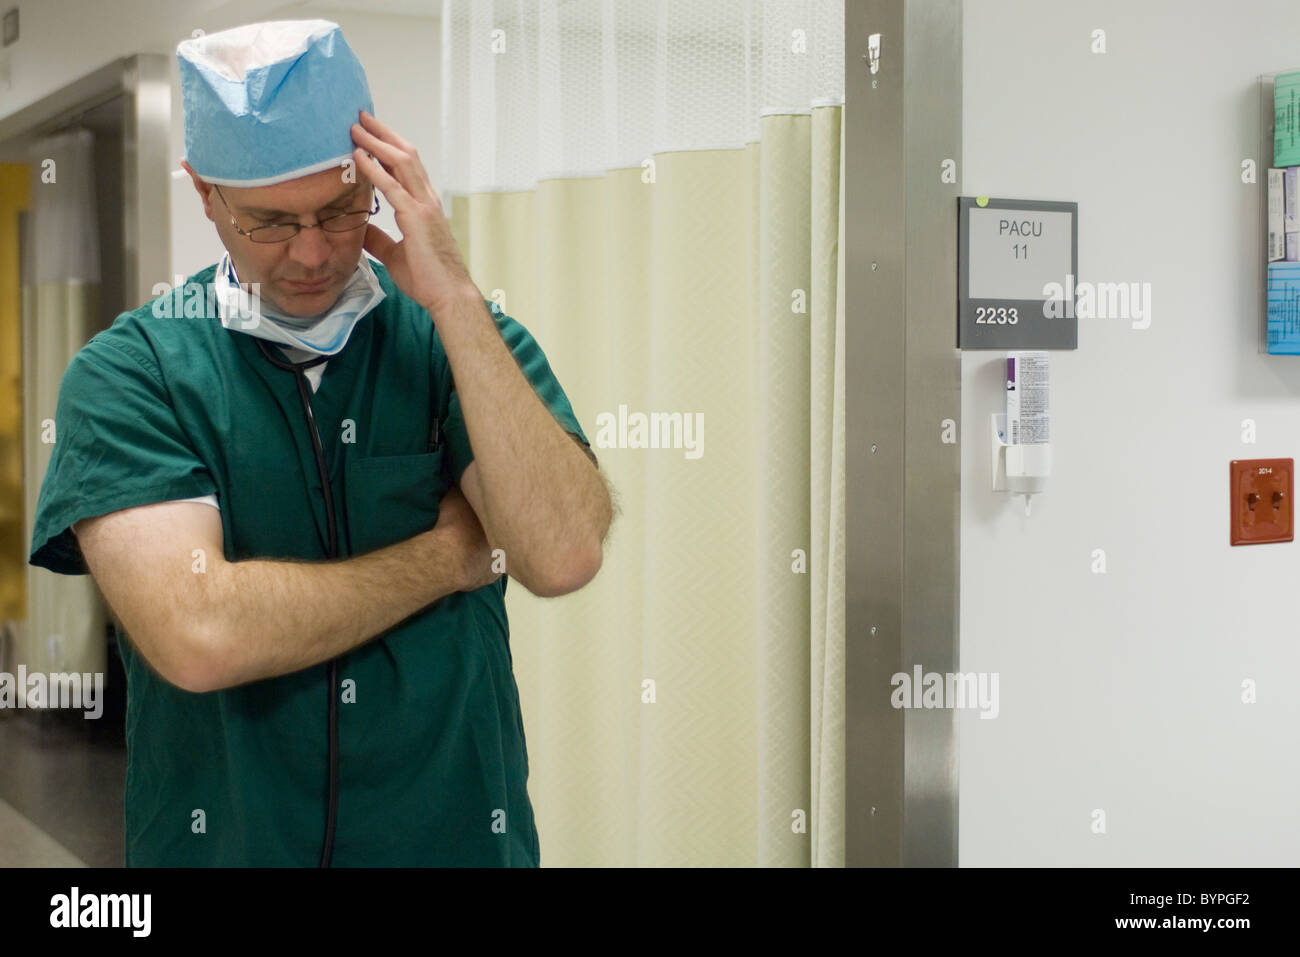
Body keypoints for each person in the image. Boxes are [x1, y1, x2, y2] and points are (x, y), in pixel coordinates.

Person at [27, 19, 613, 867]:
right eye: (269, 220)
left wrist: (452, 300)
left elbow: (560, 554)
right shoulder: (135, 373)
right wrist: (449, 555)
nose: (311, 252)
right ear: (205, 195)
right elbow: (199, 635)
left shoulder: (460, 349)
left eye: (341, 209)